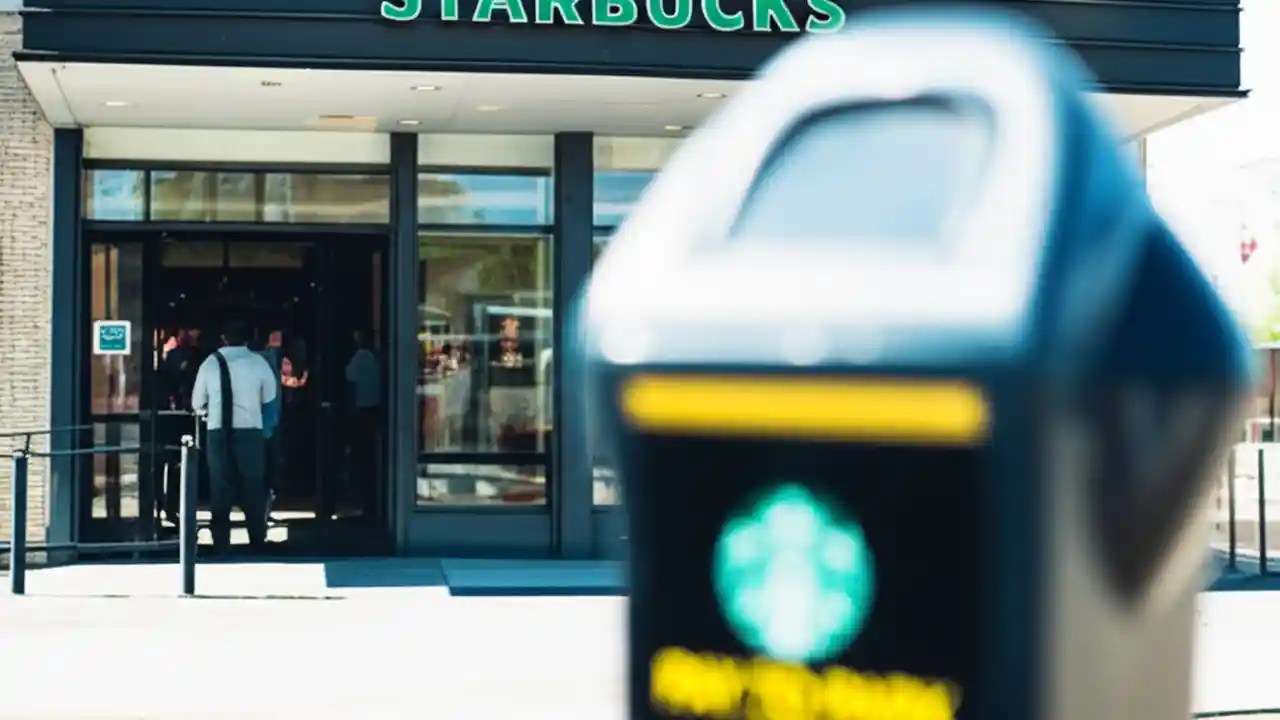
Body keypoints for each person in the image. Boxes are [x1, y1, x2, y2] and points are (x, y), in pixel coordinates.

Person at [191, 319, 278, 556]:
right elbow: (270, 400)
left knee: (220, 486)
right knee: (253, 486)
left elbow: (197, 403)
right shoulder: (259, 363)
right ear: (249, 339)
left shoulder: (210, 364)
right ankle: (257, 539)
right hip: (251, 431)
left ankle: (221, 542)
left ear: (223, 339)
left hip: (218, 432)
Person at [345, 329, 381, 518]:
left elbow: (350, 380)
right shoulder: (377, 359)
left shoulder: (360, 358)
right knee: (370, 459)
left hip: (363, 412)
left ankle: (366, 504)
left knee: (363, 459)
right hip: (374, 411)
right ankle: (371, 503)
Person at [255, 329, 285, 524]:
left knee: (265, 471)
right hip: (264, 425)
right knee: (264, 471)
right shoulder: (265, 362)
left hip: (266, 424)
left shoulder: (270, 361)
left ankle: (262, 511)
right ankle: (260, 512)